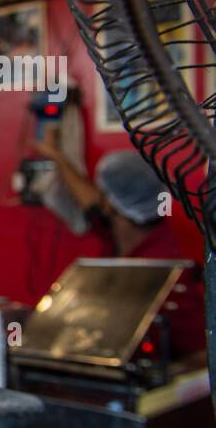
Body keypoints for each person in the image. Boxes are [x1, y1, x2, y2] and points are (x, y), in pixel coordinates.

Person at [29, 139, 206, 355]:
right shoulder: (119, 230)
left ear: (111, 203)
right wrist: (56, 154)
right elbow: (91, 203)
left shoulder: (167, 268)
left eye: (103, 193)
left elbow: (198, 353)